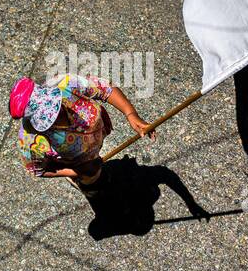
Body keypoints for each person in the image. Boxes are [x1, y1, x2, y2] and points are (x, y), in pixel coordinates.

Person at [9, 74, 154, 194]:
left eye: (56, 106)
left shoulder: (67, 84)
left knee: (95, 161)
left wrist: (131, 113)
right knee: (92, 179)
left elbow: (105, 89)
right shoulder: (29, 141)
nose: (58, 115)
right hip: (79, 161)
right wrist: (76, 171)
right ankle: (87, 182)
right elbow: (37, 169)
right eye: (49, 119)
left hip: (95, 137)